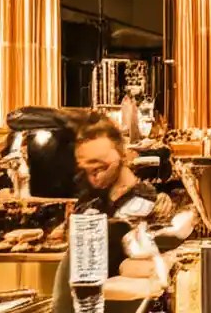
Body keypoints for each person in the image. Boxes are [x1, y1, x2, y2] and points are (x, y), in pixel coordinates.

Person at [53, 113, 167, 313]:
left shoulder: (149, 202)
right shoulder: (90, 198)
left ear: (122, 154)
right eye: (87, 168)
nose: (94, 176)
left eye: (101, 167)